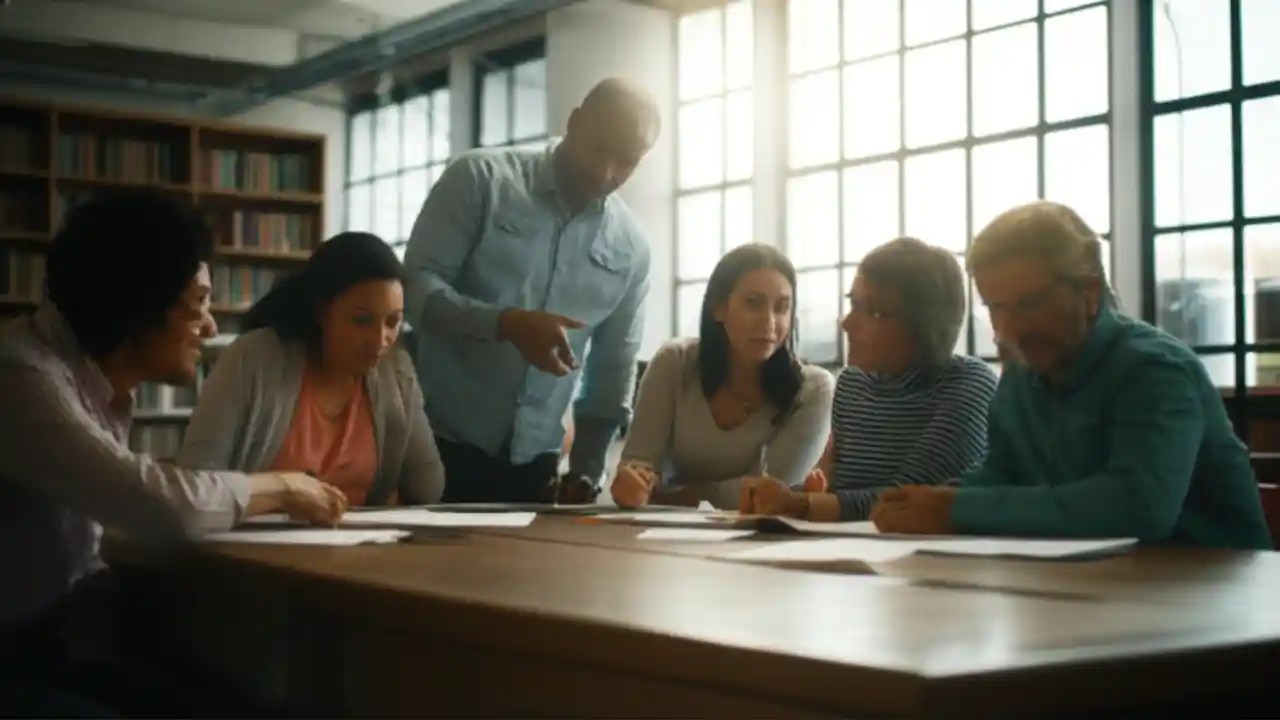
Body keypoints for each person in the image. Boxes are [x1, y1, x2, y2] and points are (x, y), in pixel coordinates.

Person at [0, 189, 344, 716]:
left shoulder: (87, 380)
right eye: (199, 304)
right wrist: (284, 485)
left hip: (54, 644)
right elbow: (166, 506)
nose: (210, 327)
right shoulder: (20, 376)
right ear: (138, 309)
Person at [870, 201, 1272, 549]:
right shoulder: (1021, 372)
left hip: (1221, 601)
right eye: (996, 308)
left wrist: (957, 509)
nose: (1010, 330)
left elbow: (1138, 506)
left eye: (1029, 303)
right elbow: (1004, 473)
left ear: (1089, 292)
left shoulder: (1154, 370)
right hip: (1103, 591)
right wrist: (930, 503)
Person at [403, 77, 658, 504]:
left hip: (537, 469)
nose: (605, 172)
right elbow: (415, 290)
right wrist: (504, 323)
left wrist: (587, 473)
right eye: (598, 149)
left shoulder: (632, 248)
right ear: (574, 123)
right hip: (433, 444)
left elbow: (613, 371)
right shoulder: (481, 180)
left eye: (627, 162)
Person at [179, 232, 445, 507]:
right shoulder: (254, 359)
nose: (380, 340)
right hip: (259, 543)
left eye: (393, 322)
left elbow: (428, 486)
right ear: (321, 311)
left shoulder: (395, 372)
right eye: (362, 320)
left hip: (362, 545)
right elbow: (198, 483)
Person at [739, 238, 997, 521]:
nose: (847, 323)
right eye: (853, 304)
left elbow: (906, 502)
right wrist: (776, 497)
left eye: (874, 311)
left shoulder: (968, 385)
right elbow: (833, 491)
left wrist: (800, 504)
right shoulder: (852, 384)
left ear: (926, 325)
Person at [611, 244, 833, 510]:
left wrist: (670, 495)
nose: (769, 323)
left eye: (782, 308)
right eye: (753, 303)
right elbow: (639, 461)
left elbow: (775, 489)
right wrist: (632, 480)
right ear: (719, 308)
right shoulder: (675, 362)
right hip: (666, 532)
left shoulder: (813, 389)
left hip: (758, 537)